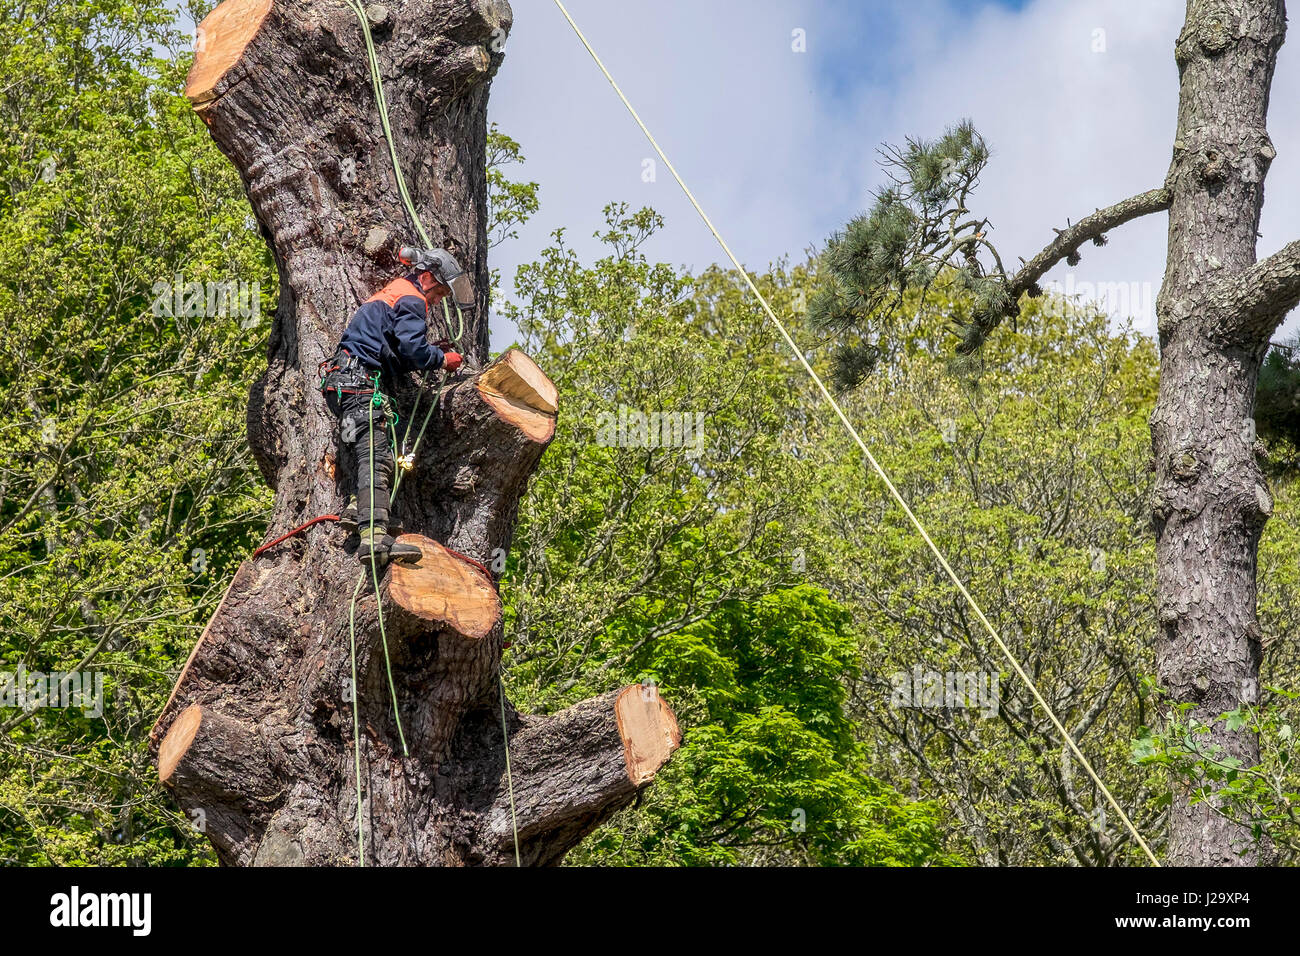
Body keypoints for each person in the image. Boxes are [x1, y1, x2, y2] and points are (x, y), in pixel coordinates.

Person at [320, 254, 467, 566]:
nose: (438, 300)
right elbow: (413, 351)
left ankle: (359, 506)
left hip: (344, 383)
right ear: (426, 277)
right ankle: (373, 539)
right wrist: (443, 360)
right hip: (359, 384)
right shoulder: (412, 299)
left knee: (372, 452)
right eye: (439, 293)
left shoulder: (392, 293)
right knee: (375, 456)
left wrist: (432, 351)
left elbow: (394, 352)